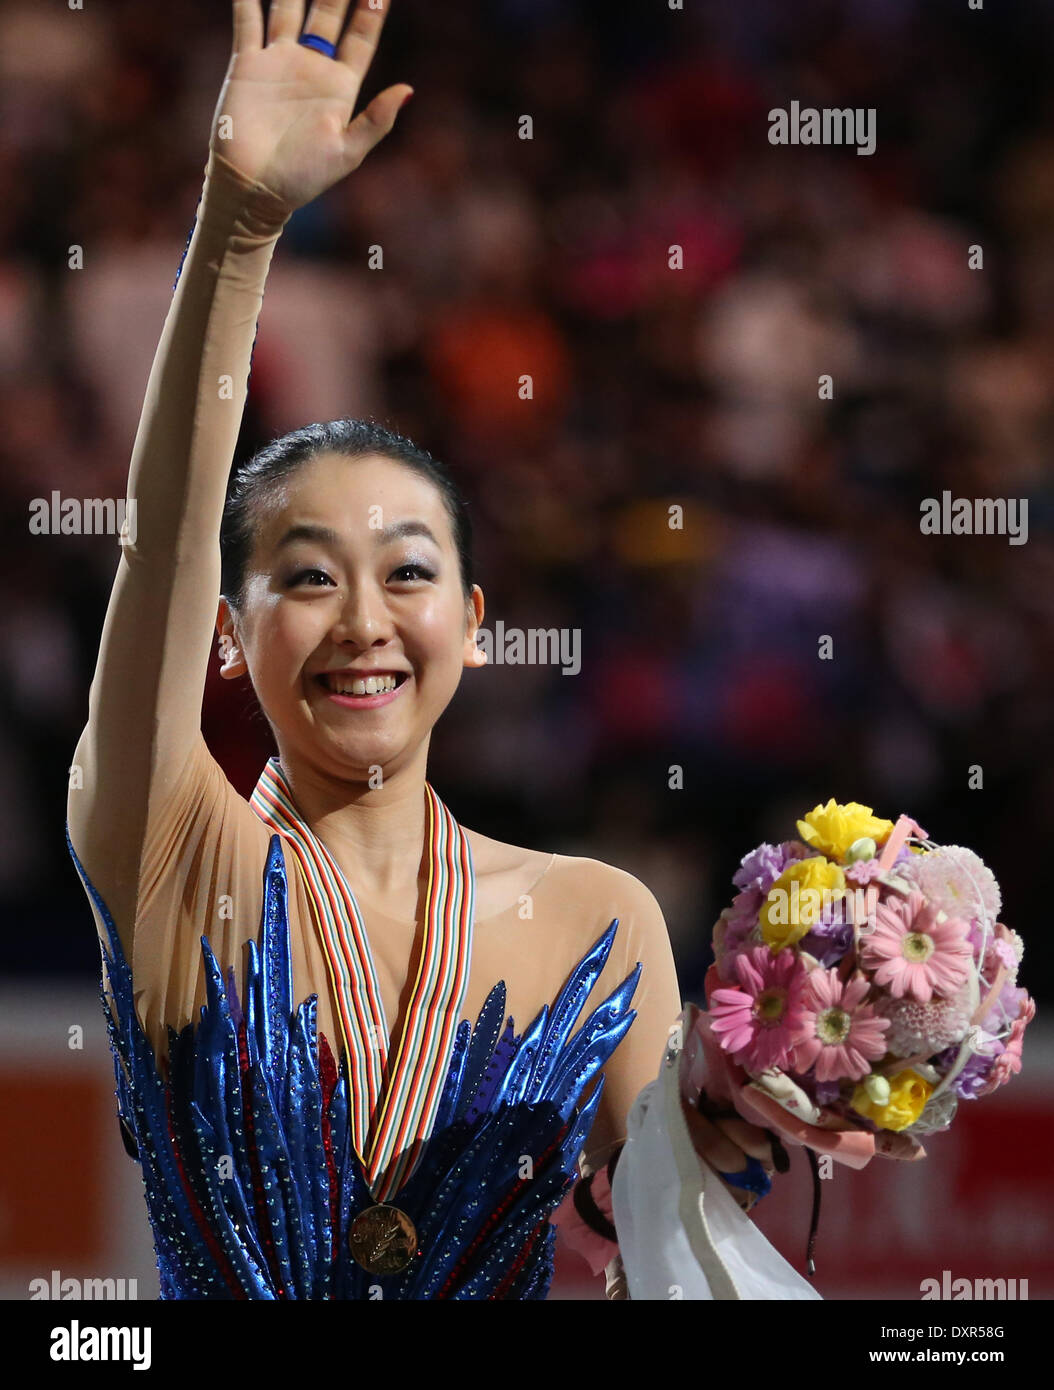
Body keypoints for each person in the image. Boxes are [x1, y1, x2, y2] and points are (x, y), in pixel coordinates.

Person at [65, 0, 775, 1300]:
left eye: (406, 571)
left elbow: (676, 1278)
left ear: (473, 620)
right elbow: (161, 540)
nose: (361, 619)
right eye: (304, 577)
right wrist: (238, 230)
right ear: (223, 634)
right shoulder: (175, 858)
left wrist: (750, 1125)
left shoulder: (598, 918)